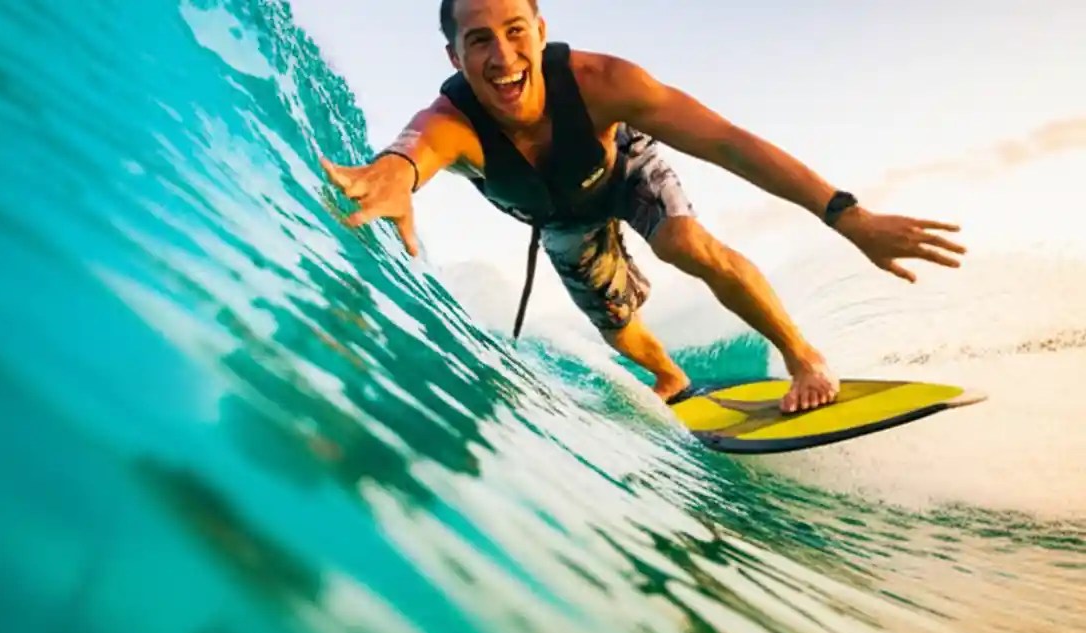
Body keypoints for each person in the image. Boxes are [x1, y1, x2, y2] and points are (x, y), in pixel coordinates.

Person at [320, 0, 966, 413]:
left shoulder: (604, 84)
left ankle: (803, 356)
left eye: (516, 32)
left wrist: (847, 215)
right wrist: (393, 174)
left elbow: (727, 143)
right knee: (615, 323)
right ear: (454, 55)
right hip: (562, 220)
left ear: (541, 32)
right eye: (479, 40)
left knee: (685, 244)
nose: (503, 56)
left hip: (622, 170)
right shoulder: (452, 120)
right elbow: (413, 150)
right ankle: (671, 380)